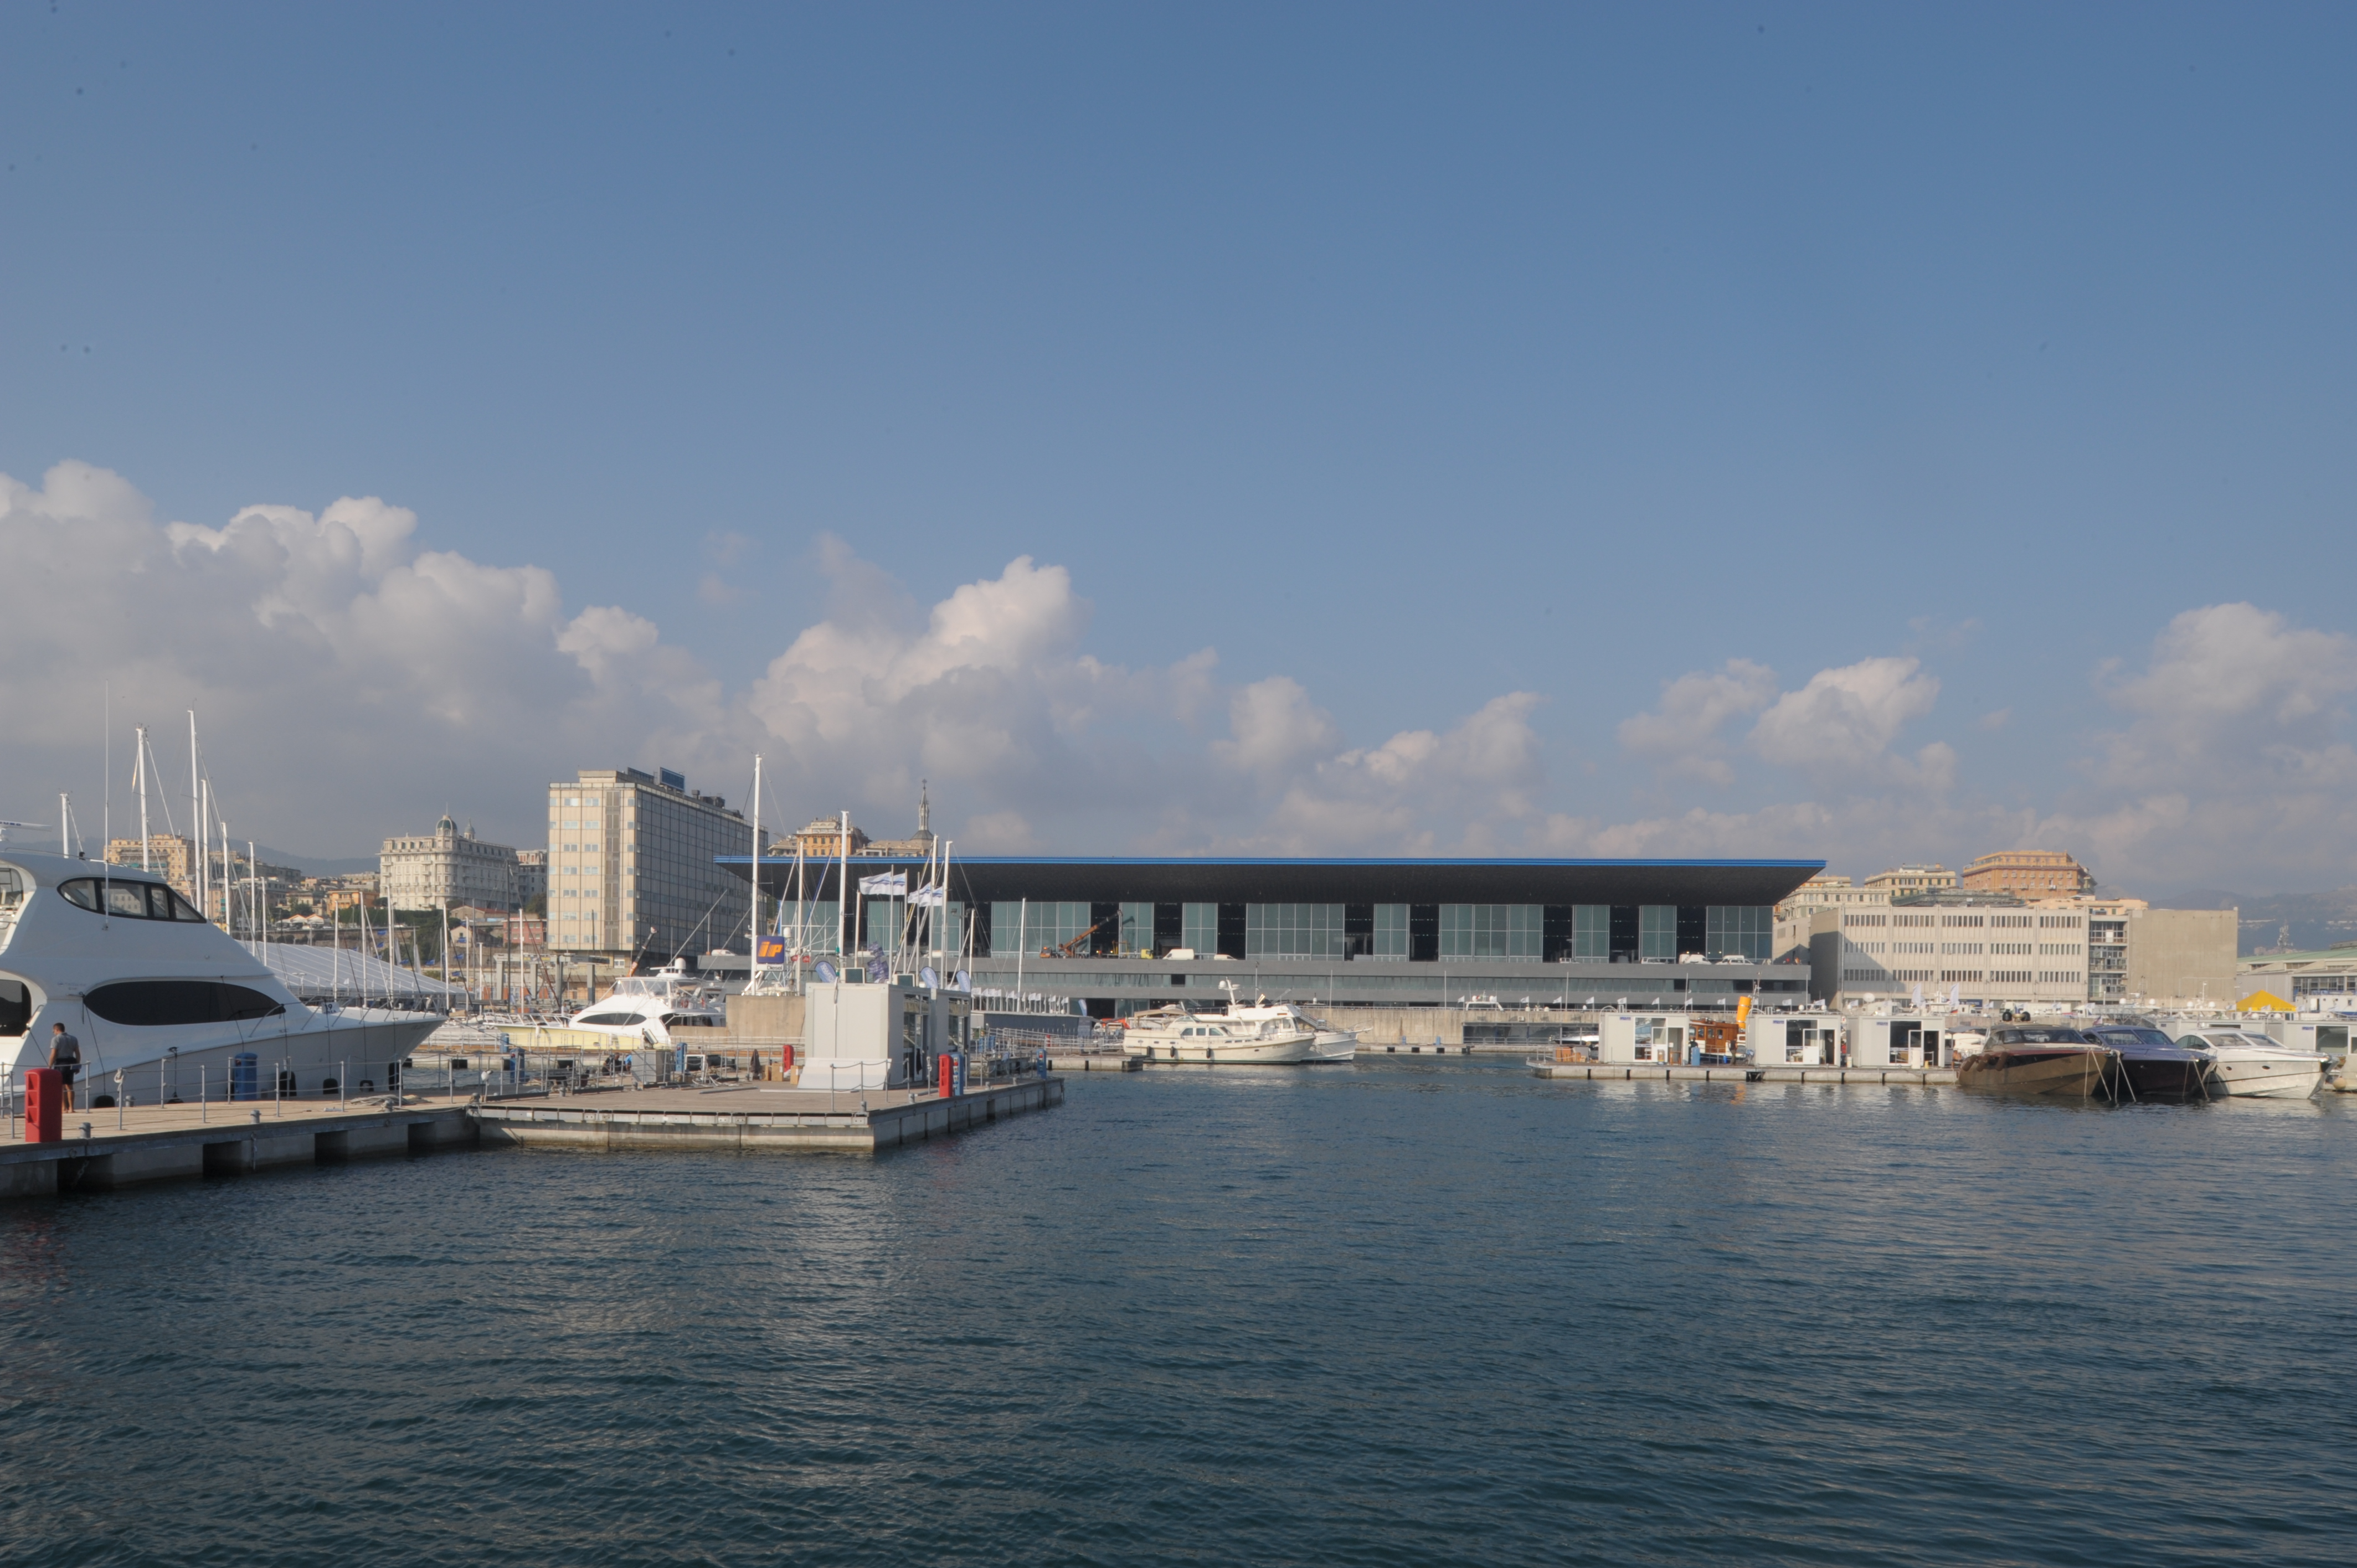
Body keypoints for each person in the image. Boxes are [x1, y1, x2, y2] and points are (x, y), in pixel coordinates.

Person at [47, 1021, 81, 1112]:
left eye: (54, 1031)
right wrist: (78, 1065)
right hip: (71, 1062)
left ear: (57, 1030)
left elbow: (54, 1054)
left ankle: (64, 1108)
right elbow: (77, 1053)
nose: (54, 1033)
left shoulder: (56, 1039)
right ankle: (72, 1108)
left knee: (61, 1087)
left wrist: (49, 1066)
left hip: (61, 1063)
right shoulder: (73, 1038)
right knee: (70, 1087)